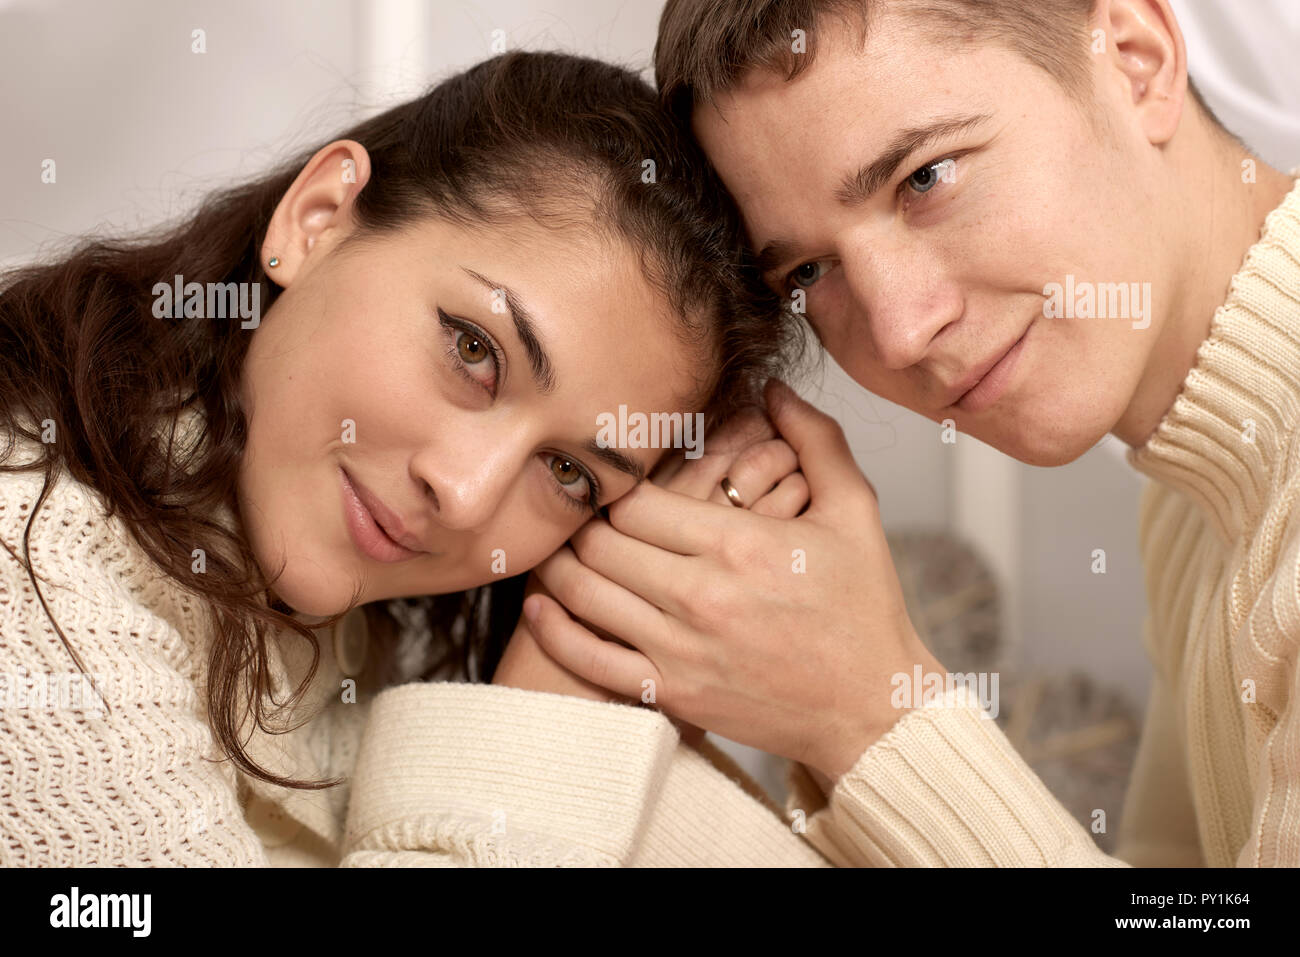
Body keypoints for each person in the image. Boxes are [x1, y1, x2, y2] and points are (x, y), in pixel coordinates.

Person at [0, 50, 837, 866]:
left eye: (570, 473)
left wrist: (845, 705)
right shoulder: (29, 561)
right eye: (474, 350)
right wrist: (543, 723)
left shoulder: (365, 650)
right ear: (319, 217)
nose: (469, 495)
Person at [521, 0, 1300, 866]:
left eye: (925, 178)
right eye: (810, 271)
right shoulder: (1204, 490)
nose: (896, 331)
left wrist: (865, 715)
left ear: (1135, 60)